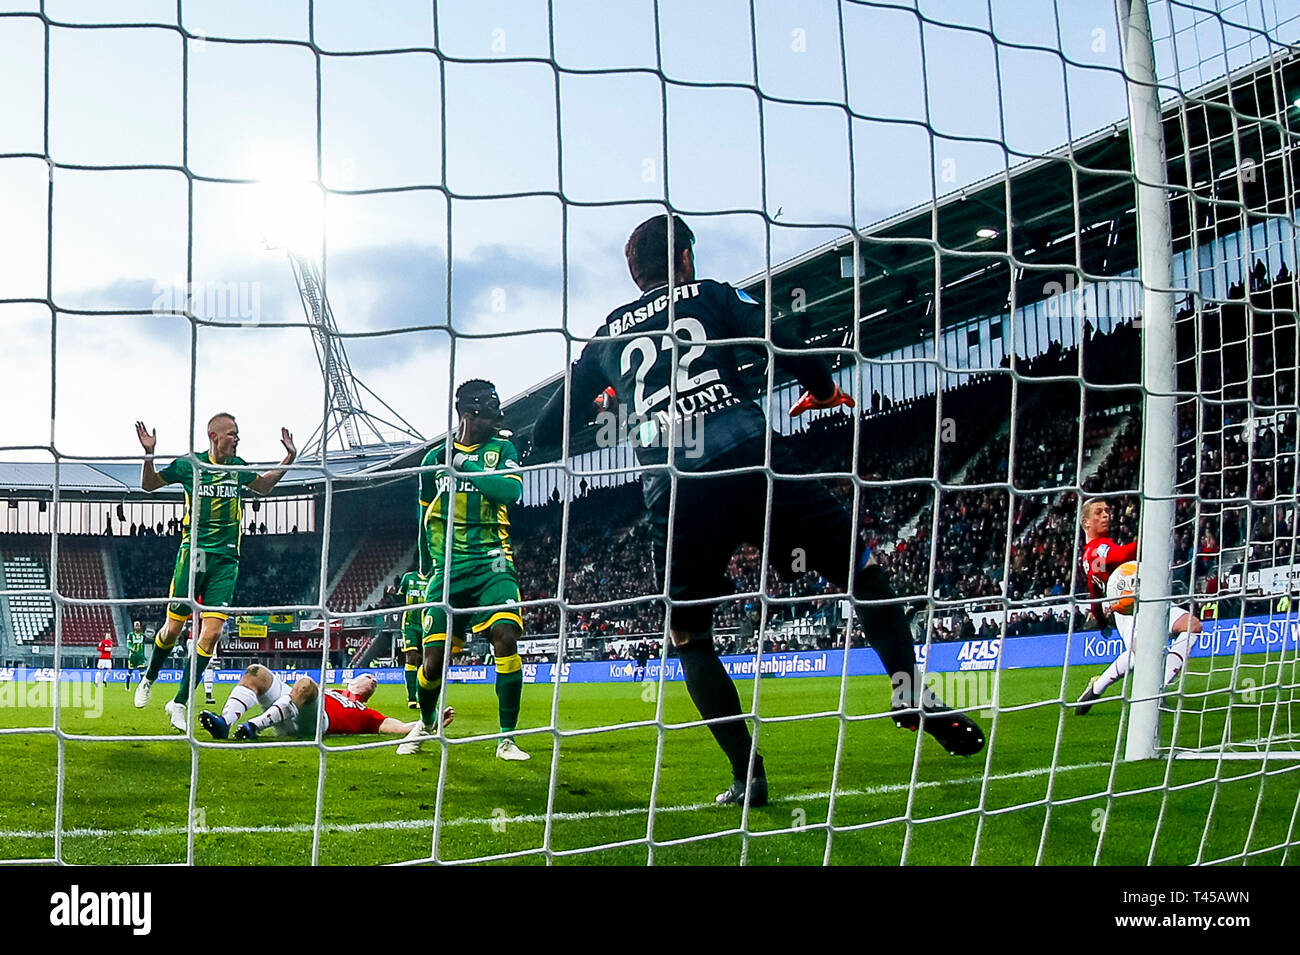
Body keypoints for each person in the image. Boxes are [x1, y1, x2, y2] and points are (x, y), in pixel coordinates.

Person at [533, 214, 984, 808]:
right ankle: (907, 694)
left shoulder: (606, 338)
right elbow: (786, 343)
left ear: (632, 273)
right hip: (752, 456)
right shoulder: (713, 294)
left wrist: (613, 403)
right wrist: (822, 390)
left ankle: (748, 775)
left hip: (675, 487)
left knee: (690, 637)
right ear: (687, 257)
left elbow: (545, 431)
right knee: (862, 572)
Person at [132, 413, 296, 733]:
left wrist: (288, 458)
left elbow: (263, 487)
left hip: (226, 560)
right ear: (214, 436)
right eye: (232, 434)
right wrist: (149, 454)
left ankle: (178, 703)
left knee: (212, 633)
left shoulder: (239, 468)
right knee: (173, 629)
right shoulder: (190, 466)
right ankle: (149, 678)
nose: (236, 438)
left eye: (237, 434)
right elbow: (148, 485)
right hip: (195, 556)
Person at [398, 380, 529, 760]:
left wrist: (467, 466)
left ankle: (507, 738)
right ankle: (425, 722)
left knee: (505, 635)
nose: (495, 421)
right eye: (489, 414)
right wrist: (425, 573)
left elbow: (510, 493)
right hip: (446, 570)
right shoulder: (432, 461)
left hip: (493, 562)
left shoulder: (502, 449)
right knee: (433, 661)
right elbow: (424, 518)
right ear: (469, 414)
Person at [1074, 499, 1200, 714]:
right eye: (1098, 512)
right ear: (1086, 522)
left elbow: (1094, 592)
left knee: (1192, 625)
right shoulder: (1097, 549)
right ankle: (1100, 687)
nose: (1106, 515)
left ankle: (1157, 687)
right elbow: (1123, 555)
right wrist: (1150, 537)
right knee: (1143, 654)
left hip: (1148, 595)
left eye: (1107, 510)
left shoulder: (1092, 553)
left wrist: (1102, 620)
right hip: (1128, 608)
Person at [198, 666, 451, 741]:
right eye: (369, 677)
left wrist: (426, 723)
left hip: (316, 721)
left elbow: (394, 727)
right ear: (353, 680)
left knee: (306, 683)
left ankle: (254, 726)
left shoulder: (366, 711)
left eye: (375, 682)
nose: (373, 681)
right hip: (290, 706)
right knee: (256, 672)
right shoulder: (334, 690)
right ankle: (225, 722)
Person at [124, 620, 147, 693]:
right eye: (136, 625)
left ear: (140, 627)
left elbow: (143, 646)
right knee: (130, 671)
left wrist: (143, 655)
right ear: (133, 627)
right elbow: (128, 645)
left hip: (140, 656)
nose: (137, 627)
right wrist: (132, 649)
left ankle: (141, 687)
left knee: (142, 672)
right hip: (133, 656)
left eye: (138, 625)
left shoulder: (143, 636)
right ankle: (127, 686)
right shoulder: (130, 635)